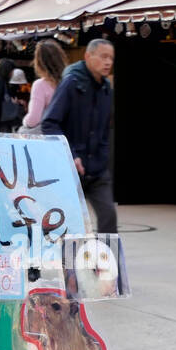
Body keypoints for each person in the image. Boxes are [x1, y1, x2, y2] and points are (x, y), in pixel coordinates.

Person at [42, 41, 117, 233]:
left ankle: (107, 261)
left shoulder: (106, 89)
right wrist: (71, 155)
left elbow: (104, 130)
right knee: (70, 221)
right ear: (88, 56)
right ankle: (69, 262)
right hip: (71, 168)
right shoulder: (71, 83)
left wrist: (103, 155)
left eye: (111, 58)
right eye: (103, 56)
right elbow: (49, 123)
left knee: (108, 214)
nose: (108, 62)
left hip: (98, 169)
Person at [20, 39, 66, 134]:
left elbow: (34, 119)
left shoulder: (40, 85)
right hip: (69, 137)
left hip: (49, 137)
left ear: (39, 62)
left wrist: (25, 122)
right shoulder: (69, 81)